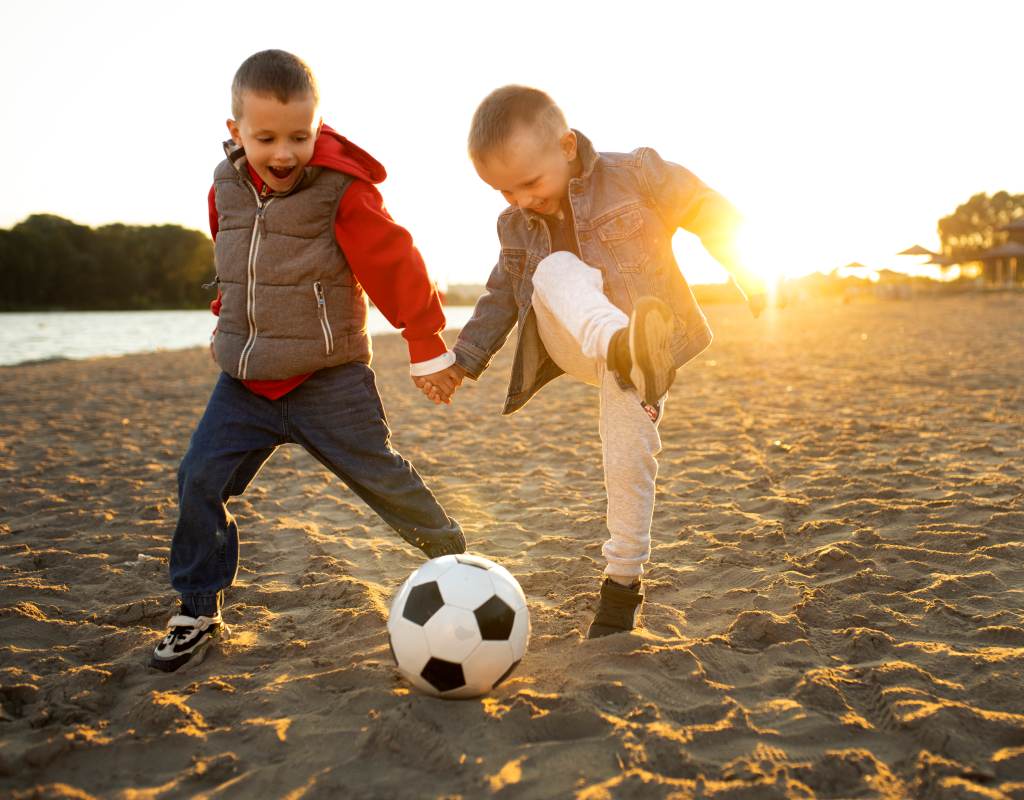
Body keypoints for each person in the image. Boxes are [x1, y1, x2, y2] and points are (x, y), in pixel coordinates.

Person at [150, 50, 465, 672]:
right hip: (245, 382)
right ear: (236, 130)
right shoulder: (224, 186)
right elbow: (234, 257)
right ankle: (197, 609)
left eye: (300, 135)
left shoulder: (340, 190)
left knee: (384, 478)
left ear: (319, 125)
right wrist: (230, 311)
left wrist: (425, 340)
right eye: (266, 138)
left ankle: (460, 565)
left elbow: (394, 261)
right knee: (198, 479)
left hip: (329, 379)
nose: (285, 153)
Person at [434, 85, 764, 637]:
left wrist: (748, 268)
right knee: (552, 268)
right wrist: (461, 362)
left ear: (566, 146)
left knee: (629, 453)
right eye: (504, 191)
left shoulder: (635, 173)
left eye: (530, 183)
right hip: (577, 338)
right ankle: (619, 342)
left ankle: (622, 587)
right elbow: (499, 298)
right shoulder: (515, 225)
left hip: (649, 350)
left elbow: (704, 206)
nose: (521, 200)